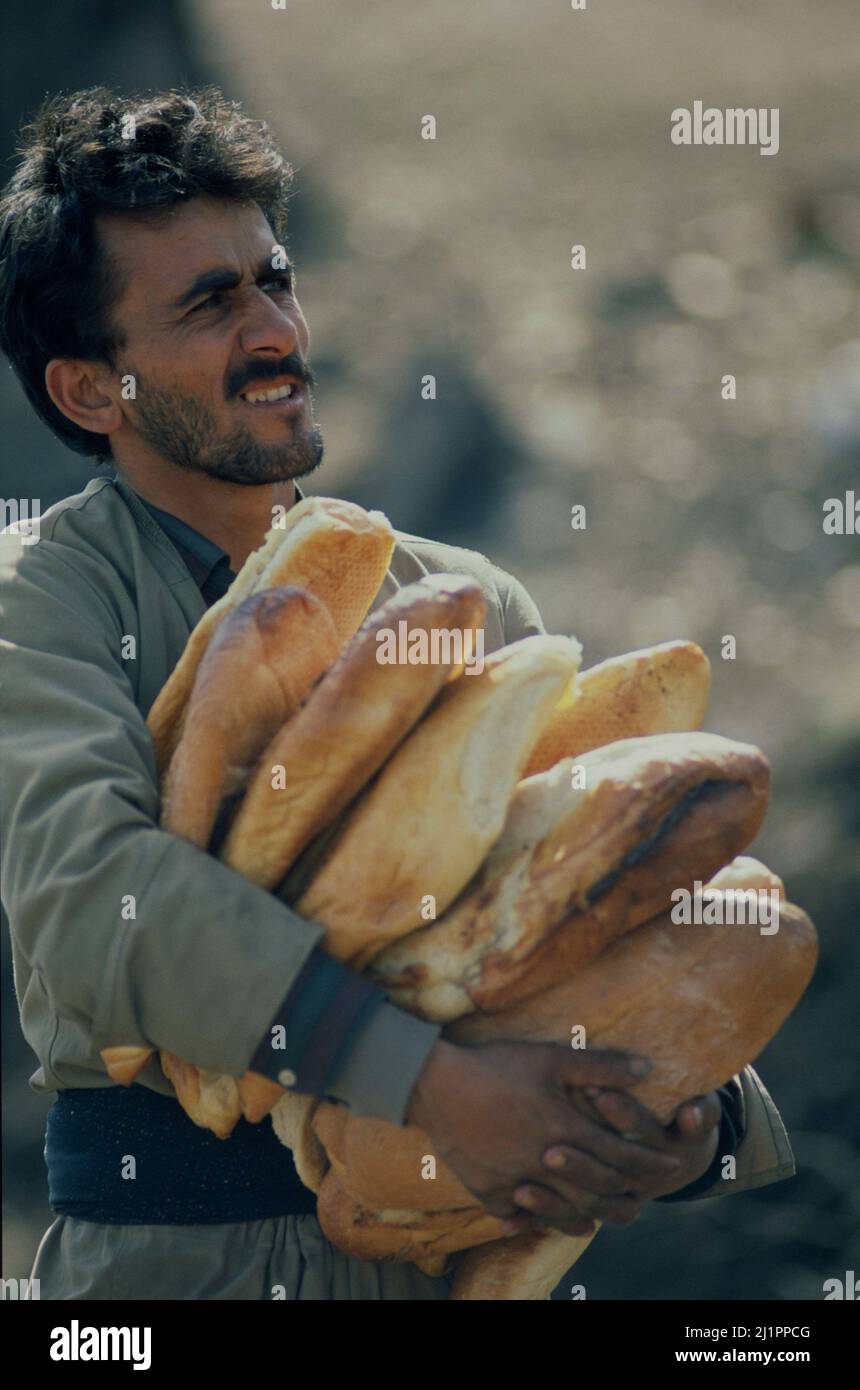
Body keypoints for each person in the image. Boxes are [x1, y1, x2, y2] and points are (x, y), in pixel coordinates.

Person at [0, 87, 795, 1302]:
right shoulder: (43, 600)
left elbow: (597, 910)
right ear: (88, 391)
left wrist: (688, 1124)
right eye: (209, 304)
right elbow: (94, 895)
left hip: (448, 1263)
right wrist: (422, 1082)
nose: (274, 328)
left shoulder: (460, 603)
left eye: (272, 279)